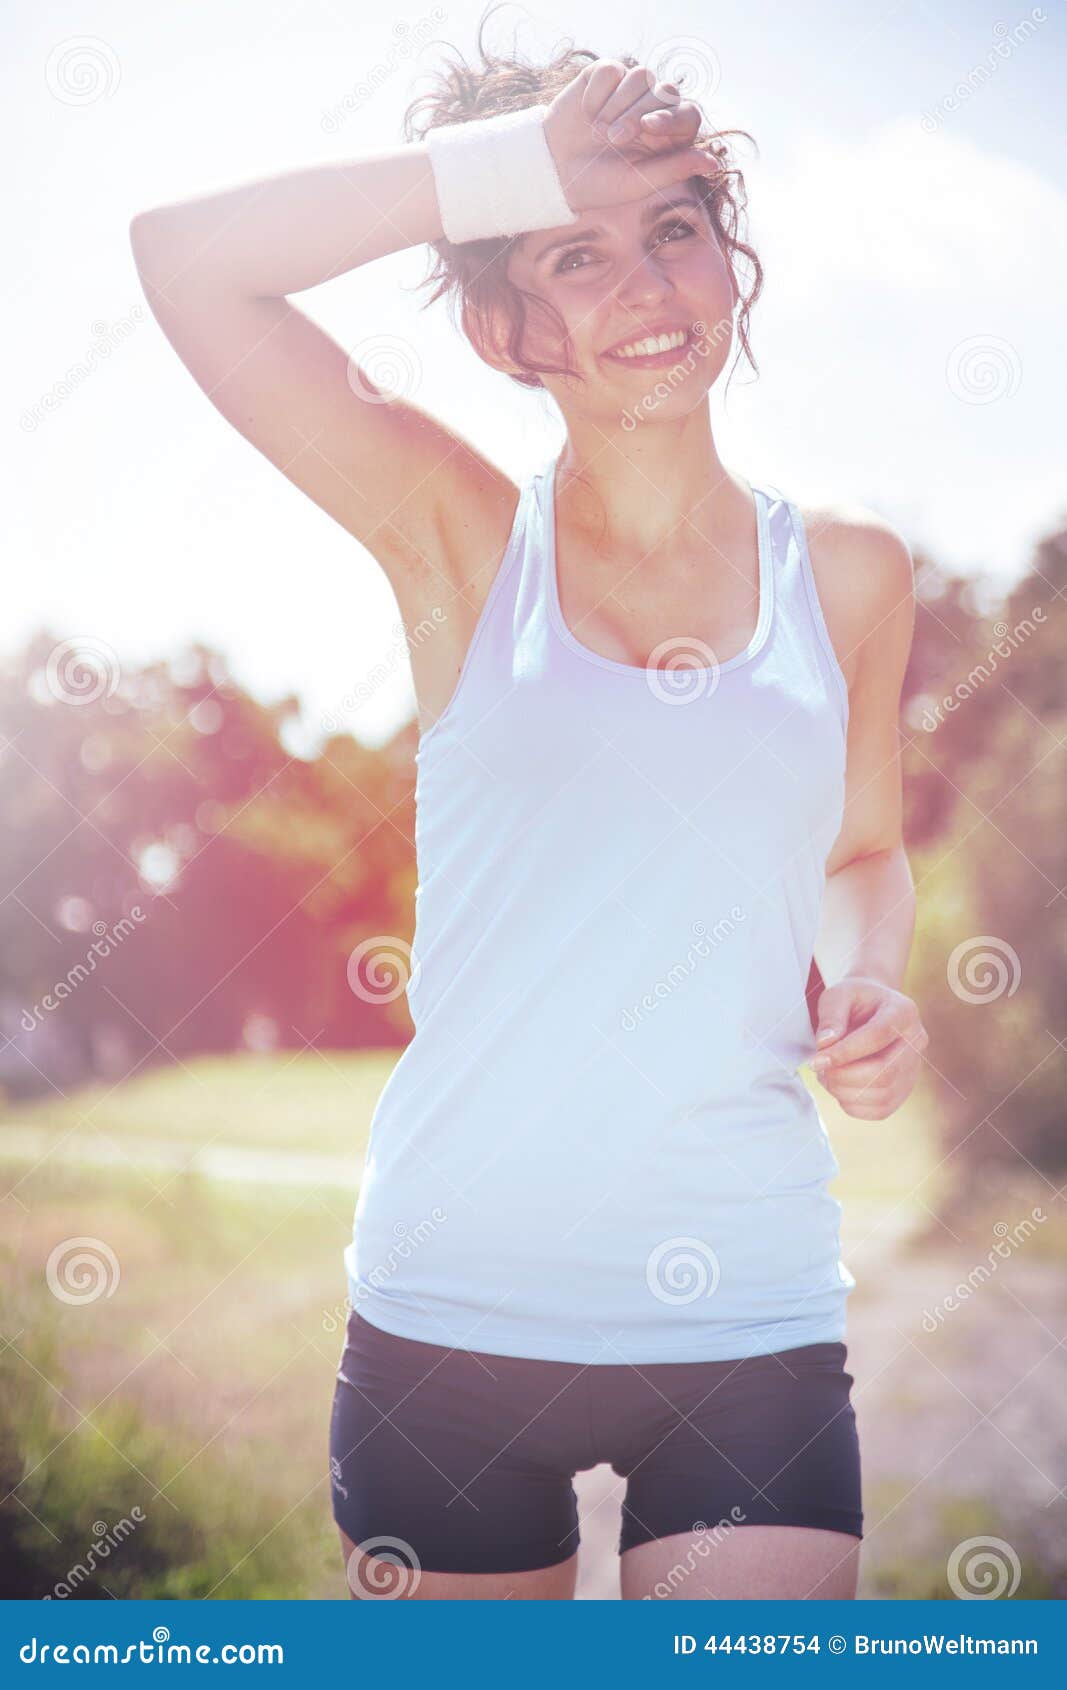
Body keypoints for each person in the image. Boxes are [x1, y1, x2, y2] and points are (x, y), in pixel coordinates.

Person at [130, 20, 927, 1602]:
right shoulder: (459, 539)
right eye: (576, 254)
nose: (645, 287)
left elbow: (863, 851)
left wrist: (870, 975)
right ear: (510, 332)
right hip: (453, 1318)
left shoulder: (845, 575)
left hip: (748, 1308)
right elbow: (185, 263)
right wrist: (502, 166)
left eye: (675, 231)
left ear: (728, 265)